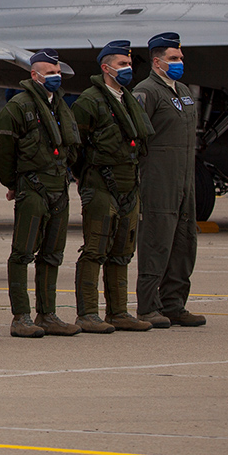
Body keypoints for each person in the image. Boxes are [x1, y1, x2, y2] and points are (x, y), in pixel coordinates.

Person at [0, 48, 82, 338]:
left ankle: (48, 314)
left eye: (57, 72)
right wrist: (13, 184)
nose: (56, 77)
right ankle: (21, 316)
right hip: (32, 188)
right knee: (22, 253)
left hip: (59, 187)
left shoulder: (61, 106)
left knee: (52, 254)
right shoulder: (18, 106)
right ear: (34, 75)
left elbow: (71, 144)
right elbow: (4, 151)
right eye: (50, 72)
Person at [70, 41, 156, 334]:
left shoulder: (128, 100)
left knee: (122, 251)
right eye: (122, 64)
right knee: (95, 249)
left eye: (129, 64)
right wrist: (84, 176)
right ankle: (87, 313)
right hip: (100, 184)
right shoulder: (89, 101)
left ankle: (118, 312)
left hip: (128, 184)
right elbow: (76, 146)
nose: (128, 69)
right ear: (106, 68)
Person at [133, 32, 206, 328]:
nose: (179, 62)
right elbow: (135, 136)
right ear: (157, 62)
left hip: (184, 180)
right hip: (159, 180)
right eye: (173, 58)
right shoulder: (146, 91)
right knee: (156, 242)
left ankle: (174, 304)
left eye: (180, 57)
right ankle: (148, 307)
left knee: (184, 243)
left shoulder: (183, 91)